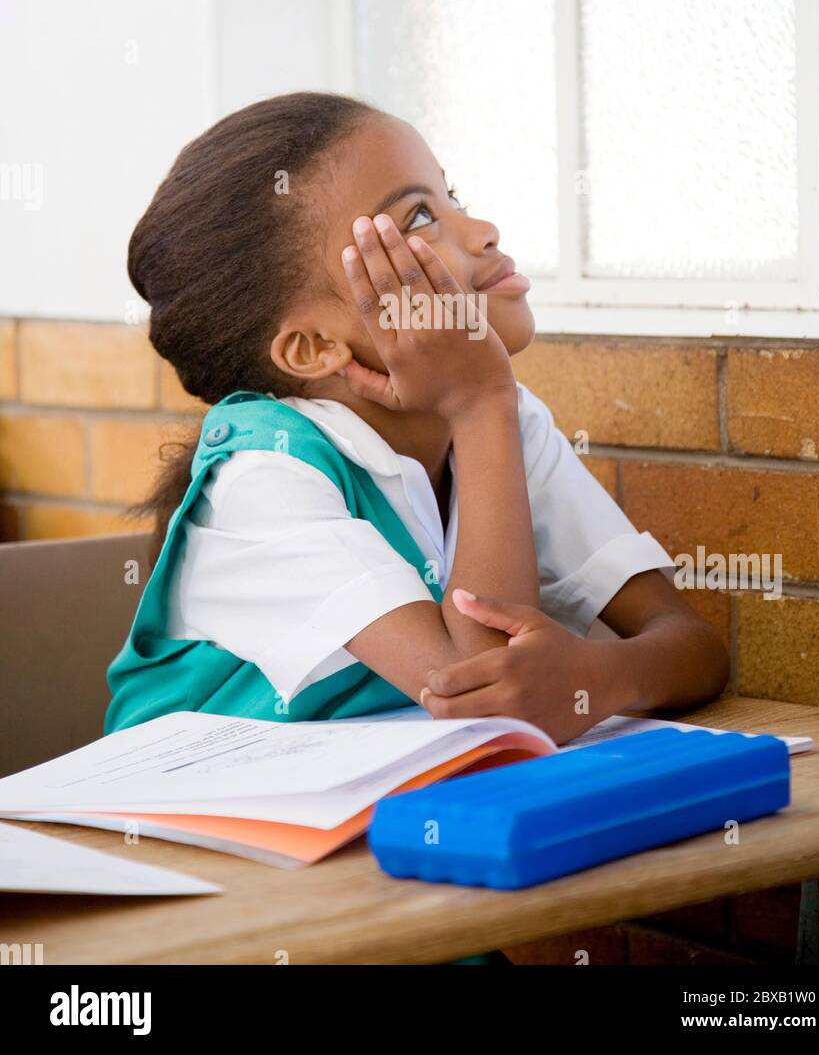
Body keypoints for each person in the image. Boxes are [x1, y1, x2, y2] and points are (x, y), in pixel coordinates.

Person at [105, 92, 729, 750]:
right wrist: (479, 404)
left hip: (386, 816)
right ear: (315, 348)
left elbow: (694, 646)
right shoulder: (263, 479)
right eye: (420, 218)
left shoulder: (504, 419)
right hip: (184, 828)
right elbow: (484, 702)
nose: (482, 228)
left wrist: (600, 677)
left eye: (451, 195)